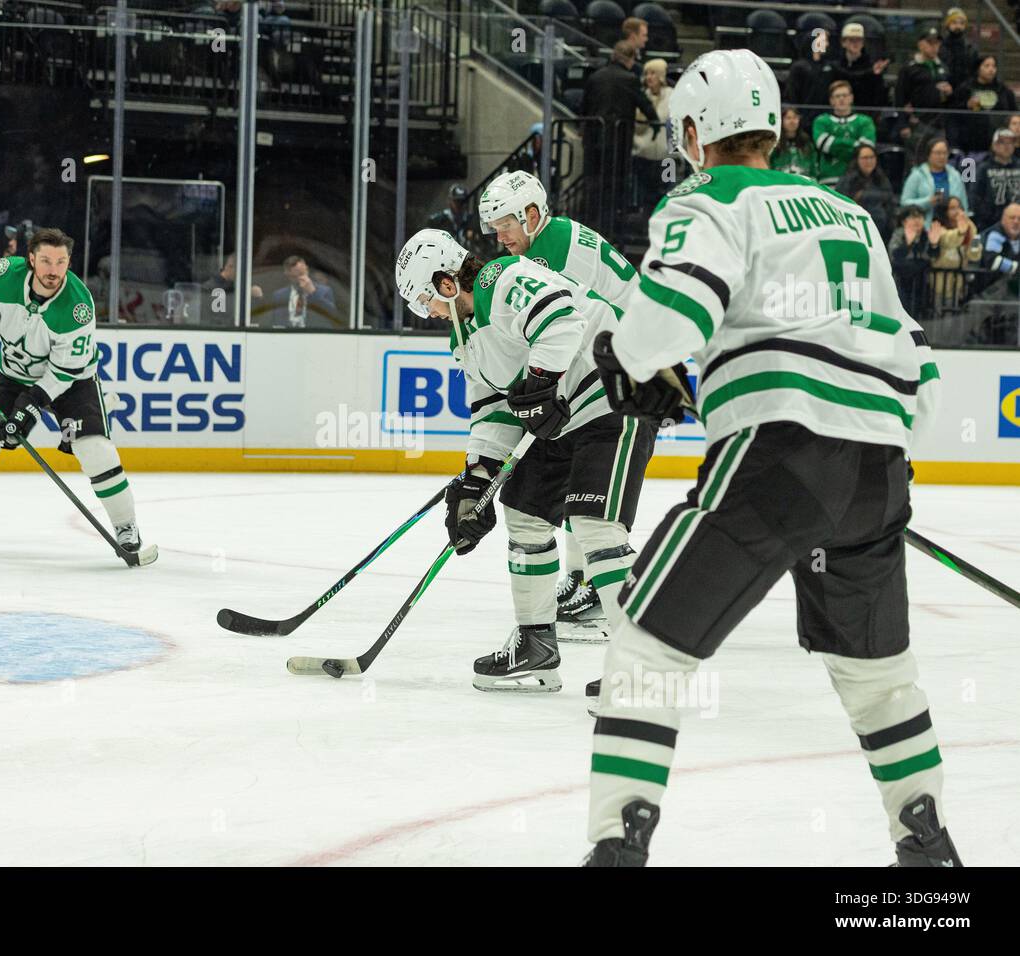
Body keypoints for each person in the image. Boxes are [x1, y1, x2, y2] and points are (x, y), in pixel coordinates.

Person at [582, 49, 955, 868]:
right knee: (880, 676)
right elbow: (920, 369)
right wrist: (863, 455)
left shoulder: (707, 198)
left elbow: (671, 313)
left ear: (692, 131)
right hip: (879, 472)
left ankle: (616, 846)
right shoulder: (846, 211)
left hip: (779, 457)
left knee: (645, 645)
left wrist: (627, 354)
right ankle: (927, 853)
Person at [394, 228, 627, 693]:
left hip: (615, 391)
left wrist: (540, 383)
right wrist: (478, 476)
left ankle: (643, 663)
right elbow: (494, 409)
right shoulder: (466, 338)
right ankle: (536, 648)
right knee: (524, 511)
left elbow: (561, 322)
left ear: (445, 282)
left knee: (593, 523)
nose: (431, 314)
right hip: (565, 417)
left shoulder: (499, 278)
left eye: (427, 302)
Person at [477, 170, 650, 636]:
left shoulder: (553, 247)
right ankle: (584, 579)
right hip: (616, 362)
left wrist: (544, 385)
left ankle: (595, 587)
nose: (500, 236)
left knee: (593, 499)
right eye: (493, 228)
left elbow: (570, 324)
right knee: (577, 487)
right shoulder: (550, 239)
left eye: (506, 224)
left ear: (532, 215)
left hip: (620, 372)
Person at [0, 228, 151, 560]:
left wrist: (31, 405)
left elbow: (64, 370)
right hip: (14, 376)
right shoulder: (6, 275)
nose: (53, 270)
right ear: (31, 260)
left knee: (95, 450)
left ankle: (126, 525)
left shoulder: (77, 307)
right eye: (45, 260)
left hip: (71, 382)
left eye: (61, 262)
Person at [583, 42, 661, 232]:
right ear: (630, 59)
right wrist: (655, 122)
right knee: (615, 187)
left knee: (594, 185)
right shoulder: (630, 79)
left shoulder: (595, 77)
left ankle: (592, 226)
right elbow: (644, 104)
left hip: (594, 141)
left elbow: (584, 106)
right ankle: (611, 227)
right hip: (618, 142)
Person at [949, 55, 1017, 155]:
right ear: (978, 69)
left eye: (993, 66)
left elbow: (1012, 112)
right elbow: (952, 111)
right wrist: (967, 105)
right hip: (970, 141)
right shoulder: (966, 88)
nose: (991, 69)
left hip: (997, 140)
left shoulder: (1003, 90)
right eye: (987, 66)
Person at [813, 80, 877, 186]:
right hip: (828, 180)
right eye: (837, 96)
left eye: (845, 95)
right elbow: (822, 144)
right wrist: (855, 145)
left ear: (851, 98)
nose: (841, 99)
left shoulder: (865, 121)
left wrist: (835, 144)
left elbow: (866, 149)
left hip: (858, 181)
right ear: (831, 100)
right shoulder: (821, 121)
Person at [894, 26, 953, 134]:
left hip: (939, 121)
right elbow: (900, 97)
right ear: (920, 44)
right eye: (930, 43)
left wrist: (949, 92)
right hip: (916, 121)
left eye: (937, 43)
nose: (934, 47)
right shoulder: (909, 68)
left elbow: (949, 98)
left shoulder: (943, 67)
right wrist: (903, 124)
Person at [632, 59, 672, 213]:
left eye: (653, 73)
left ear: (661, 76)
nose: (649, 77)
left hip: (668, 158)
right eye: (647, 73)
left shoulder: (673, 96)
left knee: (667, 195)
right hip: (644, 154)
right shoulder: (641, 97)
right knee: (645, 196)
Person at [888, 205, 940, 322]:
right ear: (903, 221)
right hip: (901, 286)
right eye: (913, 217)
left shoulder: (927, 236)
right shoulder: (898, 235)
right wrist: (907, 244)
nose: (917, 220)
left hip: (922, 287)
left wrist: (934, 245)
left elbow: (931, 259)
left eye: (920, 217)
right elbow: (894, 259)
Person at [927, 196, 979, 310]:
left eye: (959, 207)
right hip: (940, 282)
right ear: (944, 211)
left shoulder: (968, 225)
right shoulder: (937, 225)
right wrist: (960, 232)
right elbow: (947, 240)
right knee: (939, 316)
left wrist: (970, 237)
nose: (957, 211)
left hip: (960, 282)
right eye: (952, 208)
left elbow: (975, 254)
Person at [837, 143, 897, 241]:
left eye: (872, 157)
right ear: (857, 160)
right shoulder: (847, 181)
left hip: (881, 231)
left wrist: (863, 195)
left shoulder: (882, 179)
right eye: (865, 158)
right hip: (855, 231)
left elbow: (890, 201)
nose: (869, 161)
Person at [901, 137, 970, 214]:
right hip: (926, 223)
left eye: (945, 153)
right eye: (938, 153)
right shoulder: (917, 175)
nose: (942, 157)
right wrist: (927, 202)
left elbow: (964, 205)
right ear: (928, 155)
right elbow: (905, 203)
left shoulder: (955, 175)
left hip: (952, 224)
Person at [264, 256, 336, 329]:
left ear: (307, 269)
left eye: (302, 274)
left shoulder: (324, 291)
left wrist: (313, 293)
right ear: (287, 275)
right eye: (295, 276)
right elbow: (274, 323)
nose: (301, 279)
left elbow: (332, 316)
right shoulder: (278, 295)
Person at [968, 129, 1020, 229]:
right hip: (990, 224)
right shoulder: (983, 168)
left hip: (1017, 222)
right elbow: (975, 197)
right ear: (994, 145)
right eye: (1002, 142)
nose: (1007, 146)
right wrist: (990, 216)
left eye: (1010, 143)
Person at [833, 21, 890, 109]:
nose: (856, 43)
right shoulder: (836, 65)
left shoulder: (871, 65)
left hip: (865, 114)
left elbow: (879, 96)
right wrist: (870, 72)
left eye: (859, 40)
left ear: (863, 43)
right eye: (851, 40)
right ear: (843, 42)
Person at [202, 253, 262, 325]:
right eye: (241, 271)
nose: (242, 275)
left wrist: (255, 298)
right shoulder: (209, 288)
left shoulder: (238, 287)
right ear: (230, 267)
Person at [975, 201, 1020, 297]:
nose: (1016, 222)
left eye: (1019, 219)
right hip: (990, 291)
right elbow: (992, 261)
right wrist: (1016, 268)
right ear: (1003, 219)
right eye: (1012, 218)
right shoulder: (995, 235)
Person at [770, 107, 820, 180]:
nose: (792, 121)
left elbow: (813, 167)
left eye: (795, 118)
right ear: (781, 120)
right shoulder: (774, 143)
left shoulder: (807, 143)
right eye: (788, 118)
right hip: (780, 183)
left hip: (803, 184)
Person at [939, 7, 980, 94]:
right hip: (944, 91)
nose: (958, 26)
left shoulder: (970, 48)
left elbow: (974, 72)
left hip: (965, 92)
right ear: (948, 25)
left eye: (961, 23)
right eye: (954, 23)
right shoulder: (940, 46)